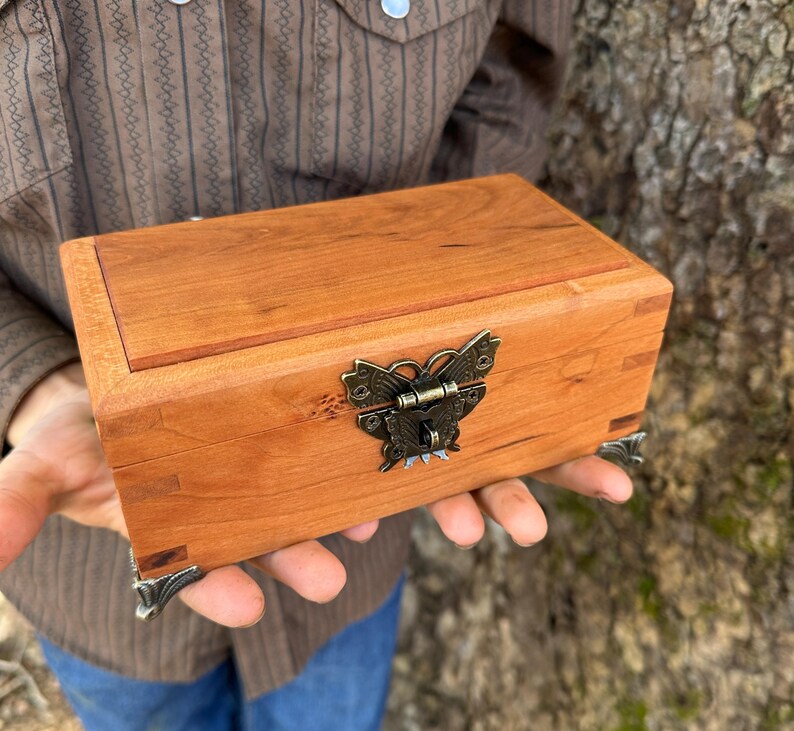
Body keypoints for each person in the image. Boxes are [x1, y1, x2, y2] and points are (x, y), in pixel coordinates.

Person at [0, 0, 633, 728]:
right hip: (100, 563)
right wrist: (28, 377)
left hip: (357, 543)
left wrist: (457, 299)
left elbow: (509, 81)